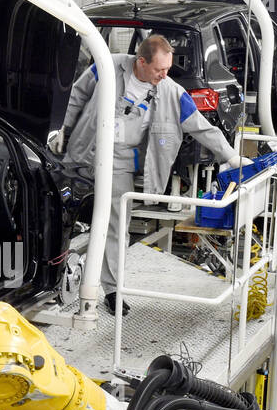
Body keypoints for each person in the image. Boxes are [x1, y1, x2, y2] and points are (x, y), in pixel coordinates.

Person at [52, 34, 244, 315]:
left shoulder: (170, 91)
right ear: (140, 62)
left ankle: (112, 289)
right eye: (159, 70)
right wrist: (59, 129)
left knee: (117, 225)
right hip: (83, 155)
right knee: (60, 216)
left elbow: (202, 128)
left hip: (120, 163)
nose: (164, 75)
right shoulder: (107, 66)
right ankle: (50, 280)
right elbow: (75, 97)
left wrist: (231, 156)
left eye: (167, 70)